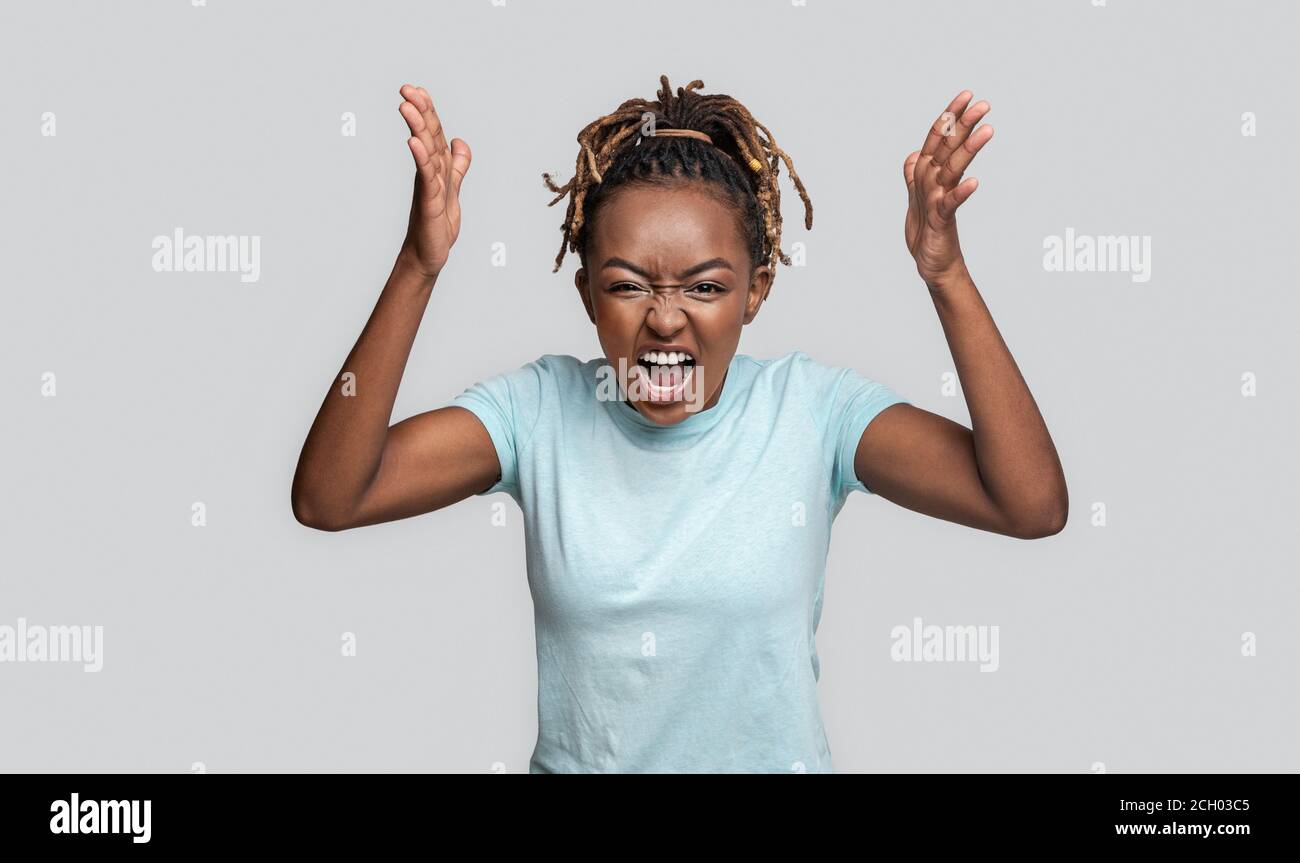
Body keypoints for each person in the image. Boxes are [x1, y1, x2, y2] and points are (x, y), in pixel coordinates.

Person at [291, 76, 1068, 773]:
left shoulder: (810, 411)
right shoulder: (539, 413)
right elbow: (330, 496)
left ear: (756, 290)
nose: (666, 319)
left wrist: (948, 276)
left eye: (705, 286)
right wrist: (417, 266)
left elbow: (1028, 503)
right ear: (589, 294)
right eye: (628, 286)